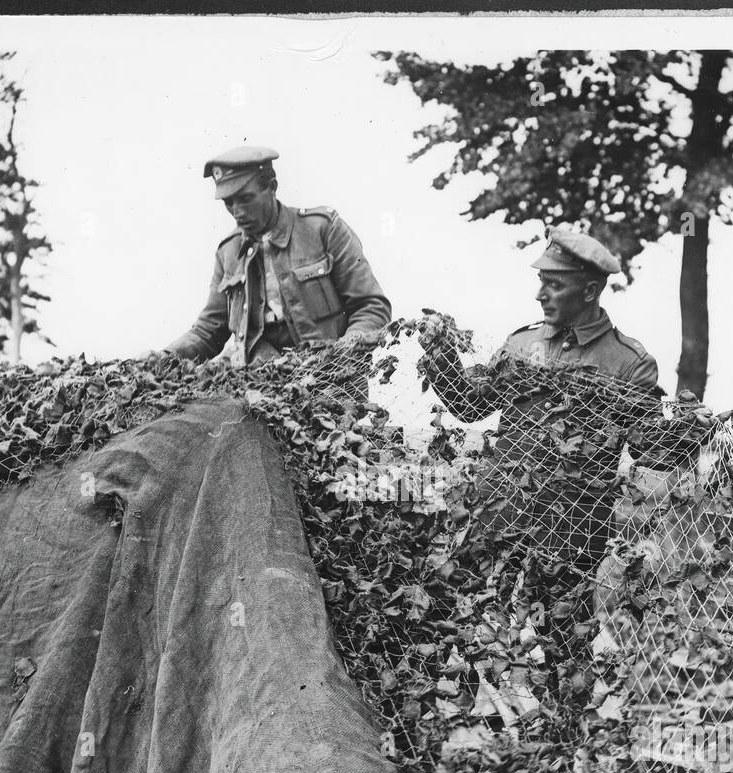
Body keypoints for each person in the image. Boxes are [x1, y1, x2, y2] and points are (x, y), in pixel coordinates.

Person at [422, 228, 664, 562]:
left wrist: (680, 431)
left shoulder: (627, 363)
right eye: (541, 280)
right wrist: (442, 357)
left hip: (571, 534)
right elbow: (470, 405)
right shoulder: (523, 344)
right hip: (498, 518)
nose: (540, 294)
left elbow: (646, 446)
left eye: (554, 284)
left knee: (560, 614)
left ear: (590, 290)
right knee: (473, 610)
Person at [156, 146, 391, 386]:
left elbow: (371, 306)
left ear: (272, 186)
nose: (237, 212)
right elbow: (208, 331)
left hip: (328, 383)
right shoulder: (228, 252)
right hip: (257, 386)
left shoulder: (322, 229)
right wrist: (162, 359)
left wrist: (339, 359)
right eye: (229, 202)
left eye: (246, 199)